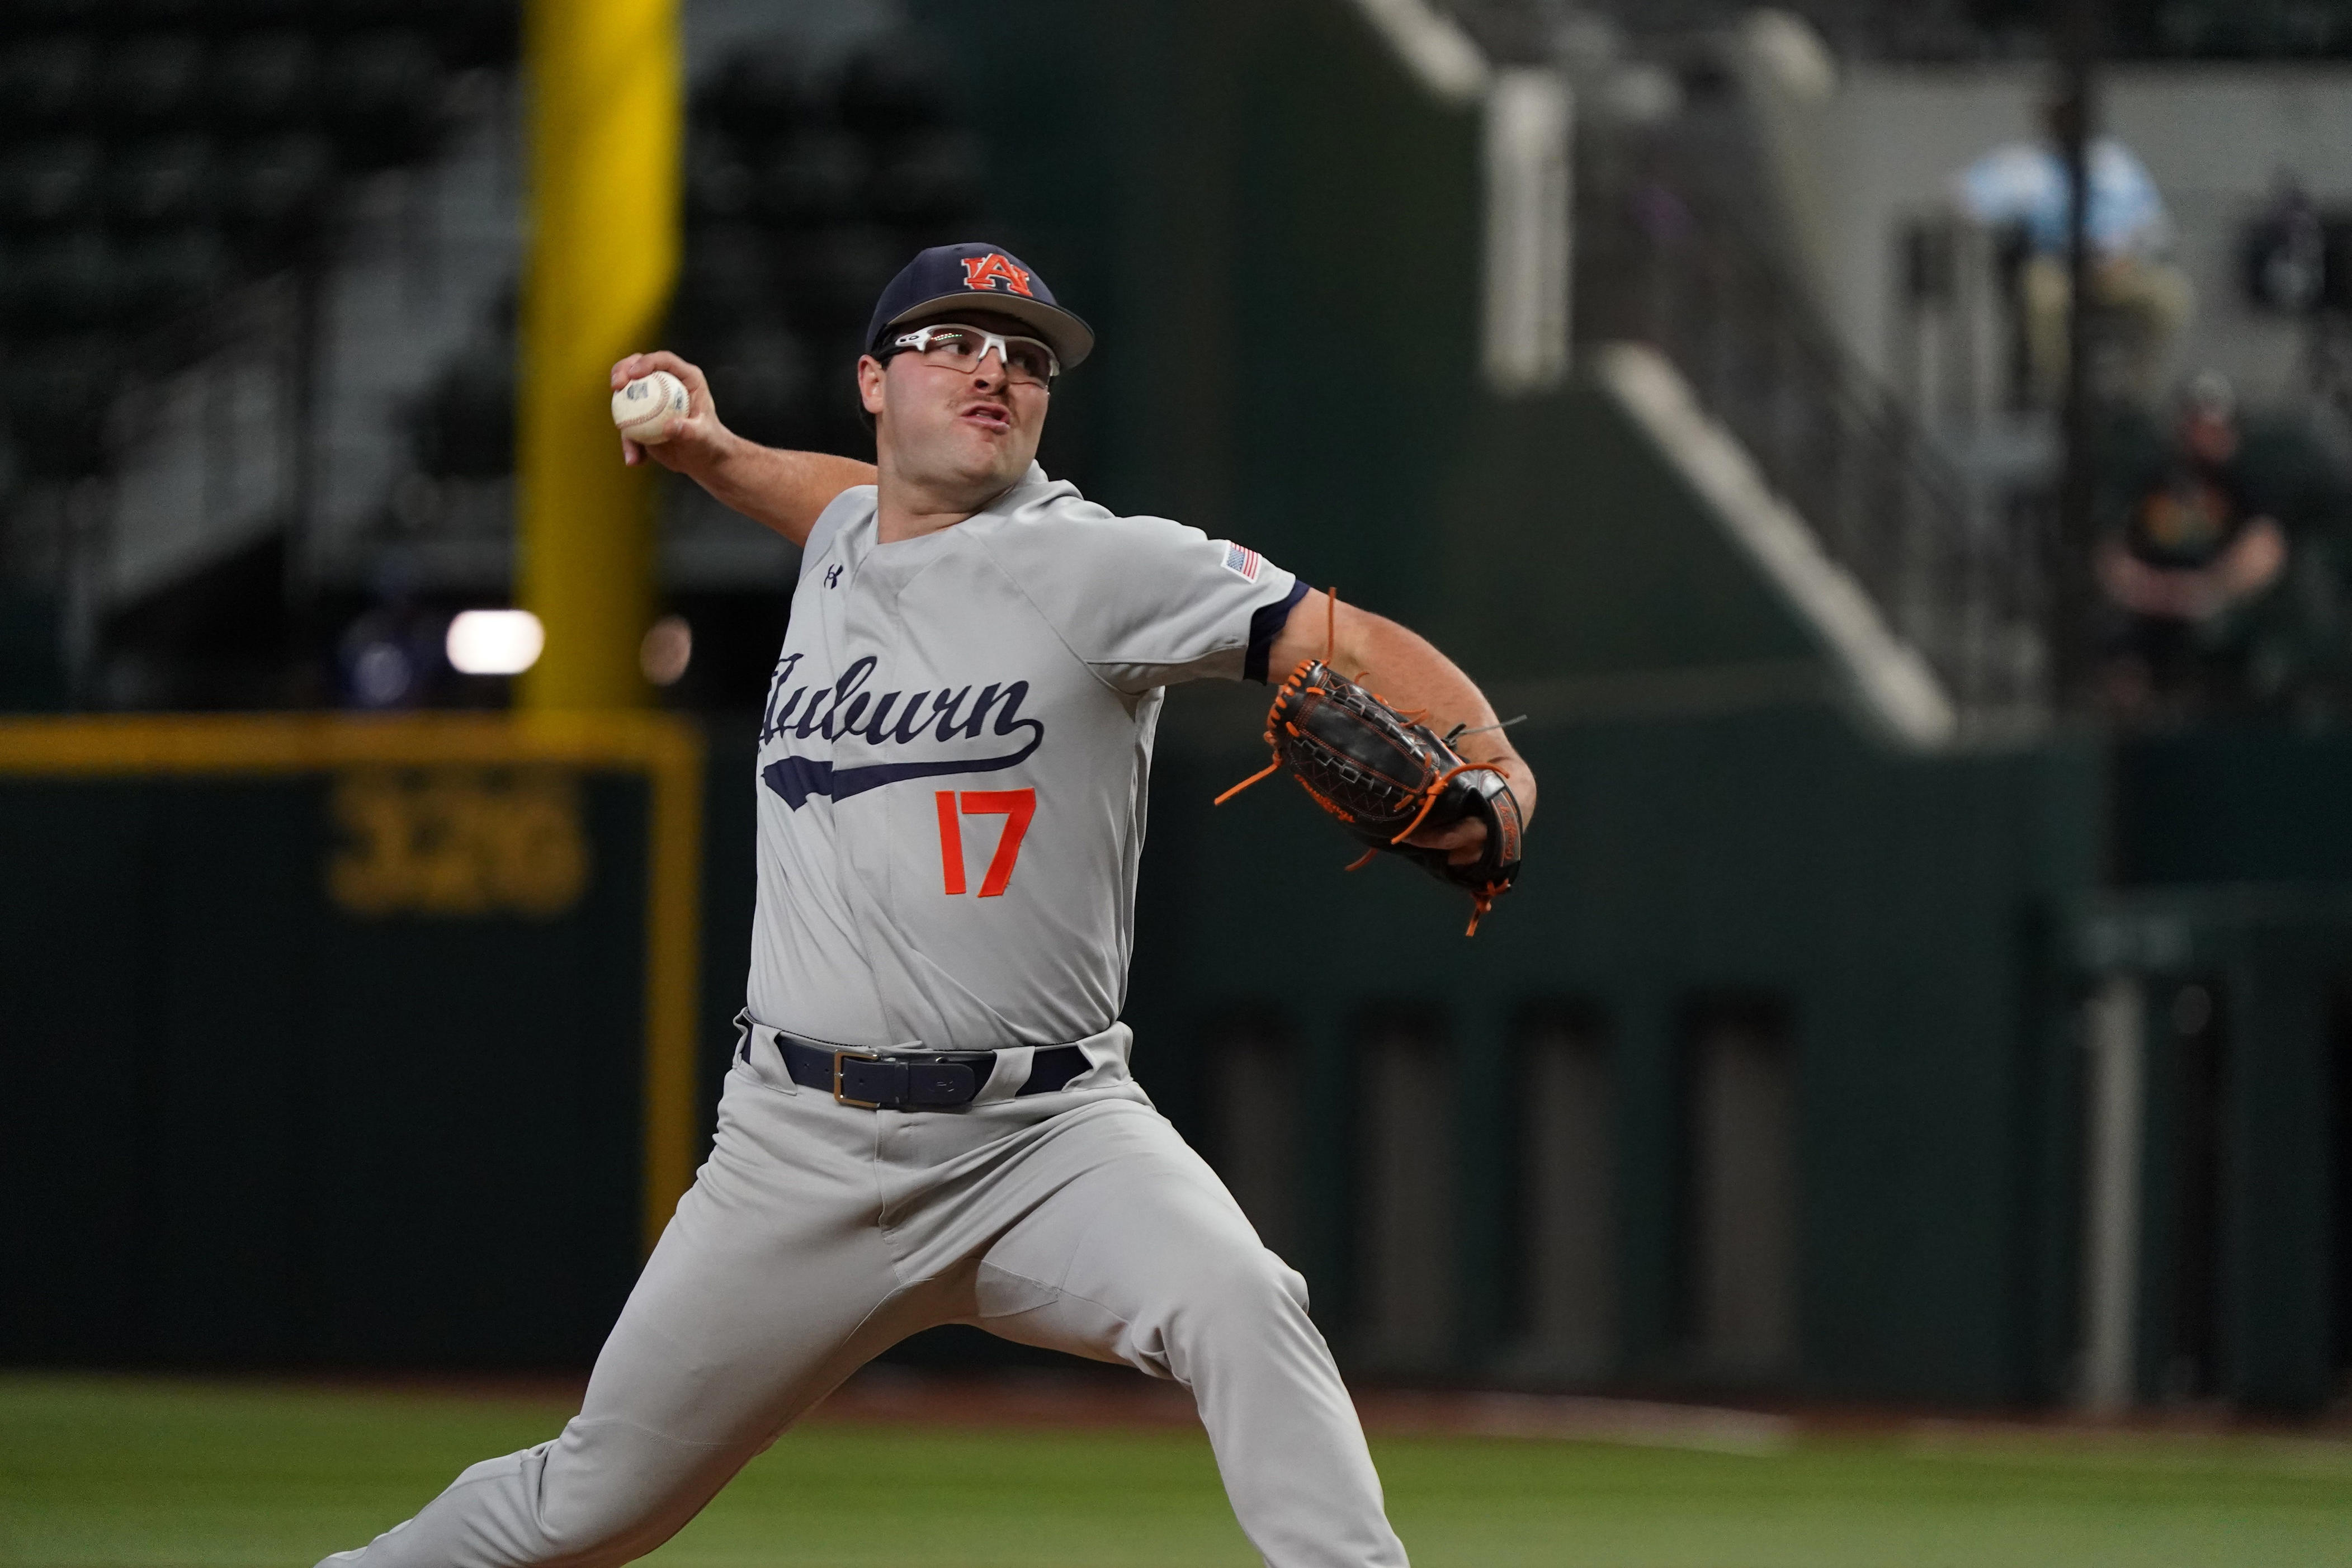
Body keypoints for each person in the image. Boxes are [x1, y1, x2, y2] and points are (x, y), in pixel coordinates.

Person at [313, 243, 1534, 1568]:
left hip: (1047, 1139)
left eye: (1021, 357)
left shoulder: (1105, 566)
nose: (994, 370)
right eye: (954, 344)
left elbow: (1339, 638)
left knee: (1241, 1301)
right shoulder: (848, 533)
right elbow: (843, 502)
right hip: (795, 1149)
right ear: (871, 383)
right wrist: (713, 453)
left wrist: (1492, 758)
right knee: (583, 1507)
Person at [1954, 115, 2192, 404]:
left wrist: (2128, 257)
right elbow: (1966, 200)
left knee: (2170, 295)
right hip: (2057, 268)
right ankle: (2063, 398)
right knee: (2041, 293)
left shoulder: (2113, 162)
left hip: (2117, 269)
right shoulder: (2025, 164)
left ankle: (2134, 399)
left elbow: (2155, 225)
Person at [2094, 372, 2289, 713]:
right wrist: (2149, 590)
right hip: (2152, 609)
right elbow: (2114, 554)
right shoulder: (2152, 481)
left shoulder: (2245, 483)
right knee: (2121, 657)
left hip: (2223, 611)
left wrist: (2210, 589)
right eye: (2195, 422)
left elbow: (2266, 549)